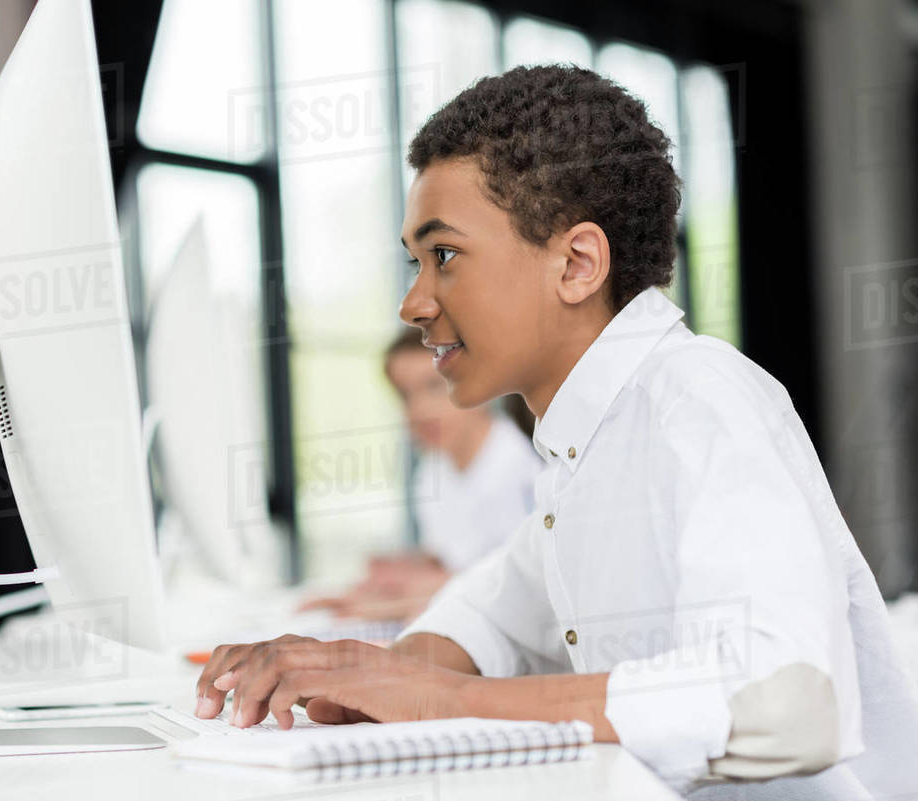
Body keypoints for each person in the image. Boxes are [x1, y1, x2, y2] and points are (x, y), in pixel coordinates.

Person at [194, 66, 918, 796]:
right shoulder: (579, 454)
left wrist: (437, 696)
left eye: (443, 256)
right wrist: (357, 675)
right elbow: (494, 621)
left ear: (576, 264)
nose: (414, 303)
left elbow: (785, 703)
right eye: (415, 263)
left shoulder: (697, 397)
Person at [301, 327, 543, 622]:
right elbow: (452, 560)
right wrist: (394, 575)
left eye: (433, 387)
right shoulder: (432, 471)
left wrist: (400, 600)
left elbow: (520, 586)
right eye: (405, 395)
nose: (418, 410)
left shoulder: (524, 471)